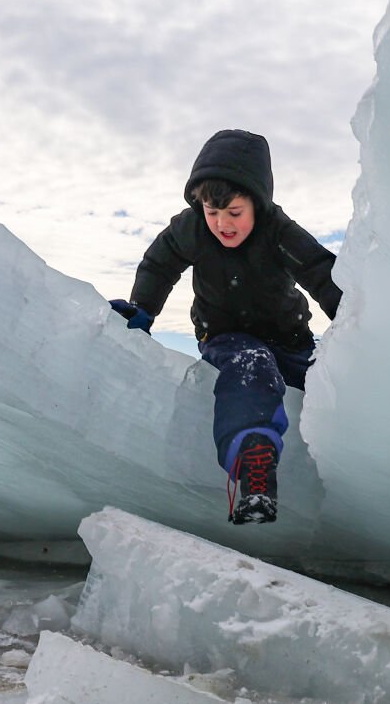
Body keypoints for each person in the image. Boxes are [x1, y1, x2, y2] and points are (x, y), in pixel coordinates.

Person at [109, 129, 341, 524]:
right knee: (251, 364)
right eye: (212, 212)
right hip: (225, 336)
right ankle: (254, 467)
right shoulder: (191, 228)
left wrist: (358, 320)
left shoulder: (278, 230)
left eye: (234, 212)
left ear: (257, 203)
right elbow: (159, 265)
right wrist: (142, 309)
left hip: (292, 339)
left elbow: (321, 273)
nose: (221, 224)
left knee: (329, 387)